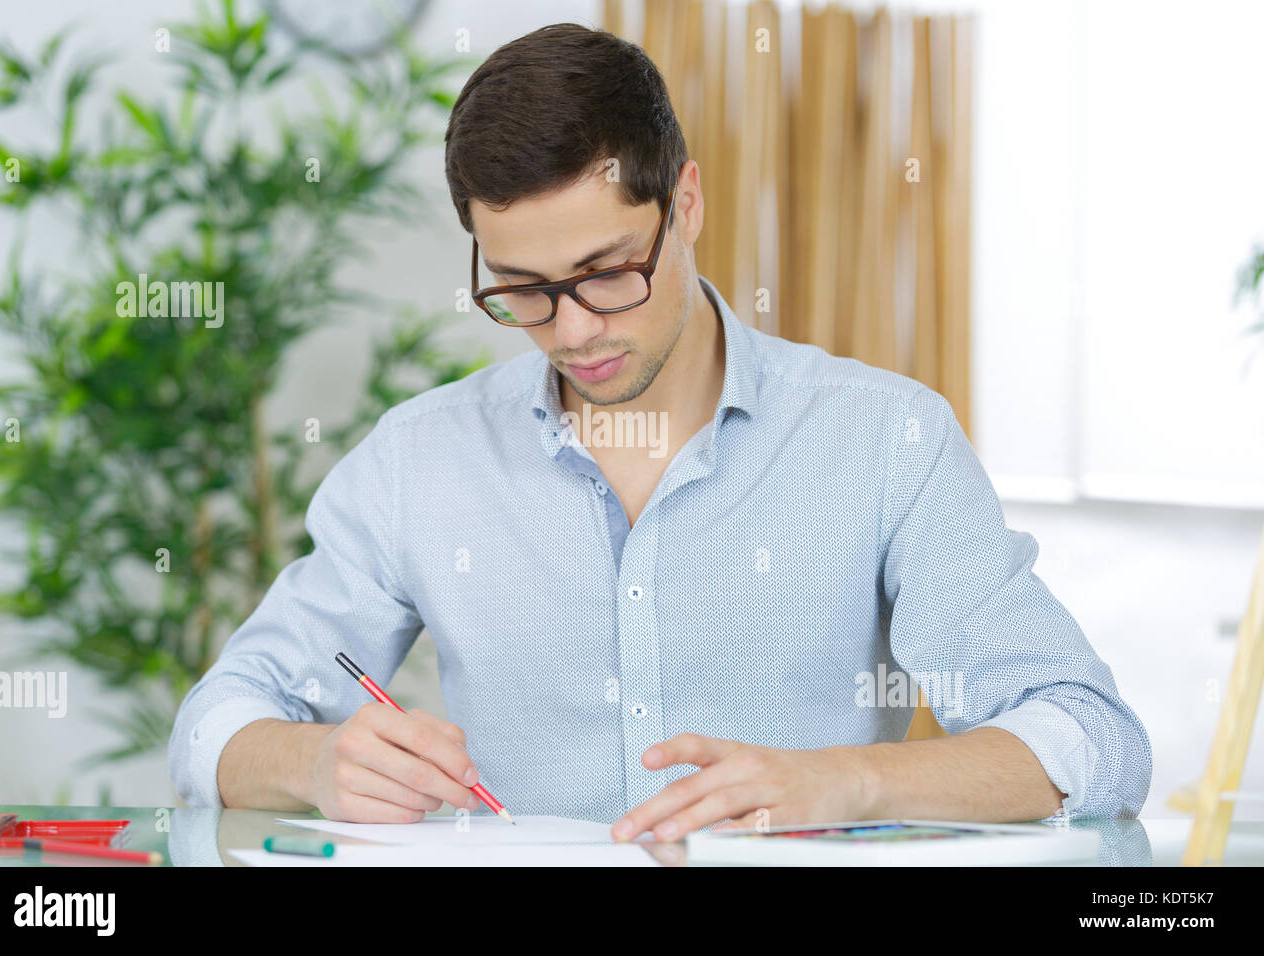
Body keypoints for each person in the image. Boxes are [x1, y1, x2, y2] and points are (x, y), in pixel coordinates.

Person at [169, 22, 1151, 842]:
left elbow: (1089, 735)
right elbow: (212, 725)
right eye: (522, 290)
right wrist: (313, 758)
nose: (574, 328)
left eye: (605, 271)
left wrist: (846, 782)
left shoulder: (881, 439)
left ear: (683, 204)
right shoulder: (417, 460)